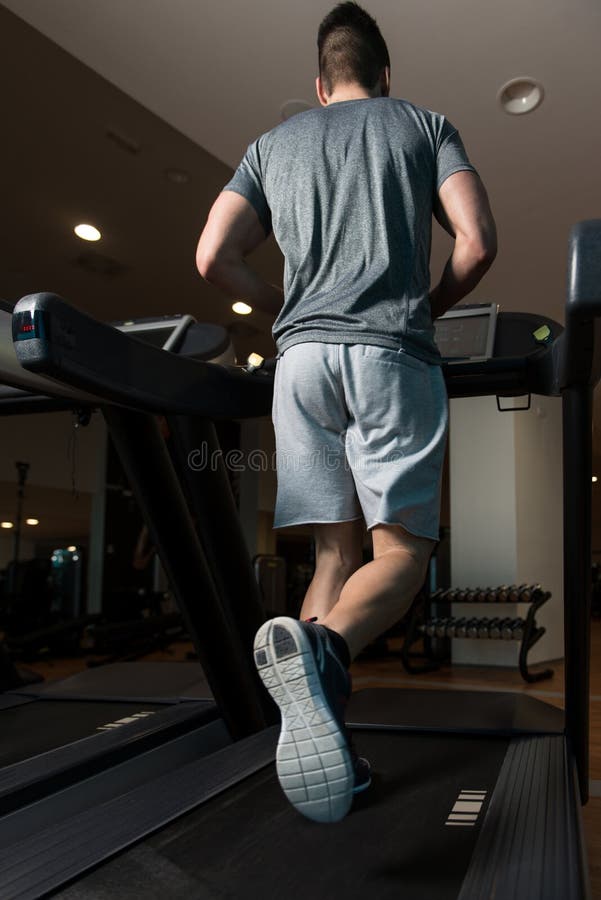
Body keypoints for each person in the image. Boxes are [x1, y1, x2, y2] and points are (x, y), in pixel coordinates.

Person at [196, 1, 497, 824]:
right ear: (384, 74)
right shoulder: (423, 123)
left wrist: (281, 309)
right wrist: (426, 306)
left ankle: (319, 724)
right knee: (400, 558)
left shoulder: (270, 145)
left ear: (319, 85)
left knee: (334, 555)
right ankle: (323, 653)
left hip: (298, 368)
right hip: (389, 355)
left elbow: (211, 256)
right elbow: (475, 242)